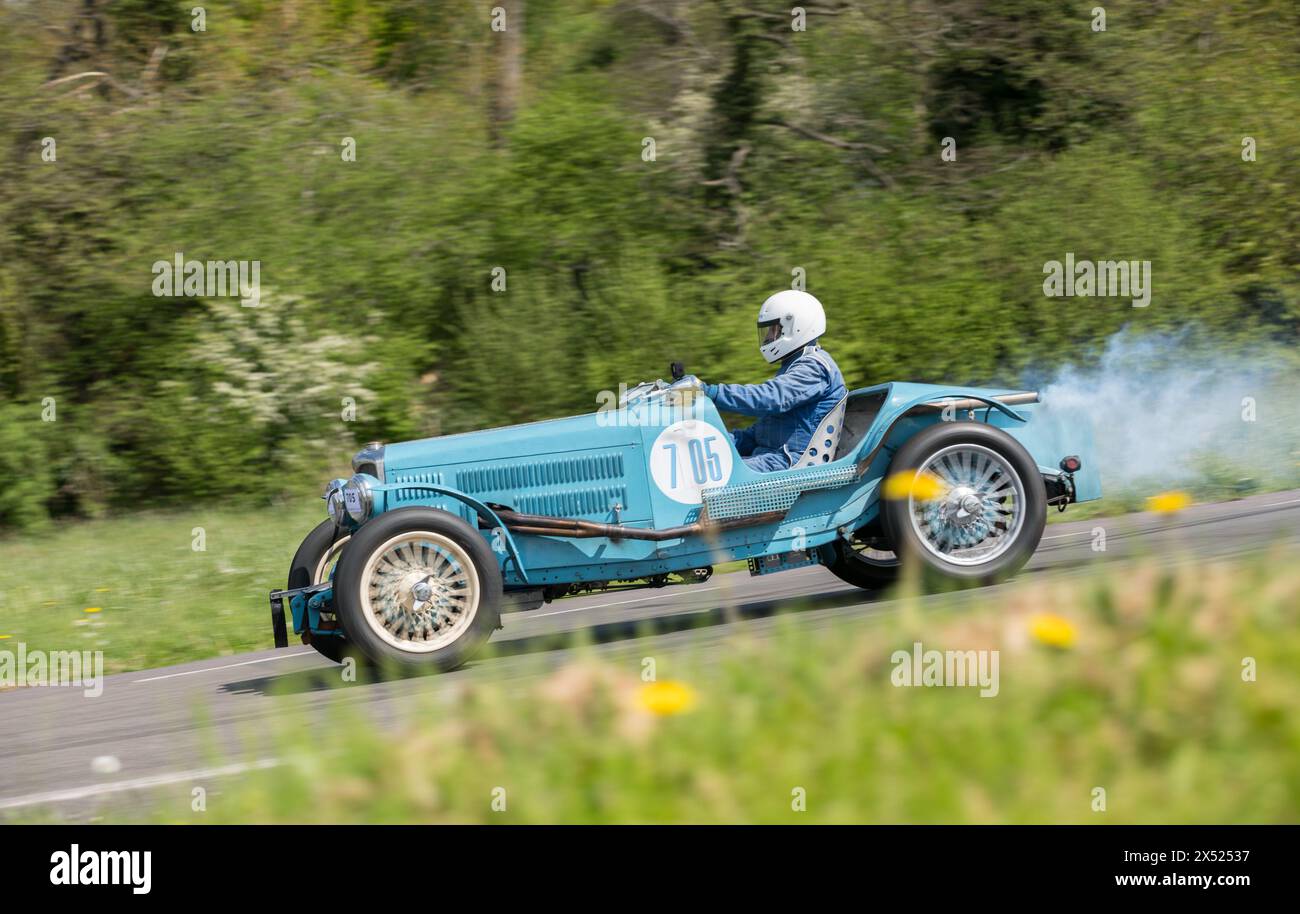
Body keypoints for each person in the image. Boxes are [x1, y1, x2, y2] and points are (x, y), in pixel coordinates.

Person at [689, 290, 847, 472]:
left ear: (795, 327)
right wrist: (715, 441)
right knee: (694, 458)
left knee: (705, 474)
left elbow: (768, 399)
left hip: (790, 462)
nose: (768, 337)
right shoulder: (793, 366)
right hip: (771, 456)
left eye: (774, 329)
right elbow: (765, 430)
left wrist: (707, 392)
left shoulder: (813, 368)